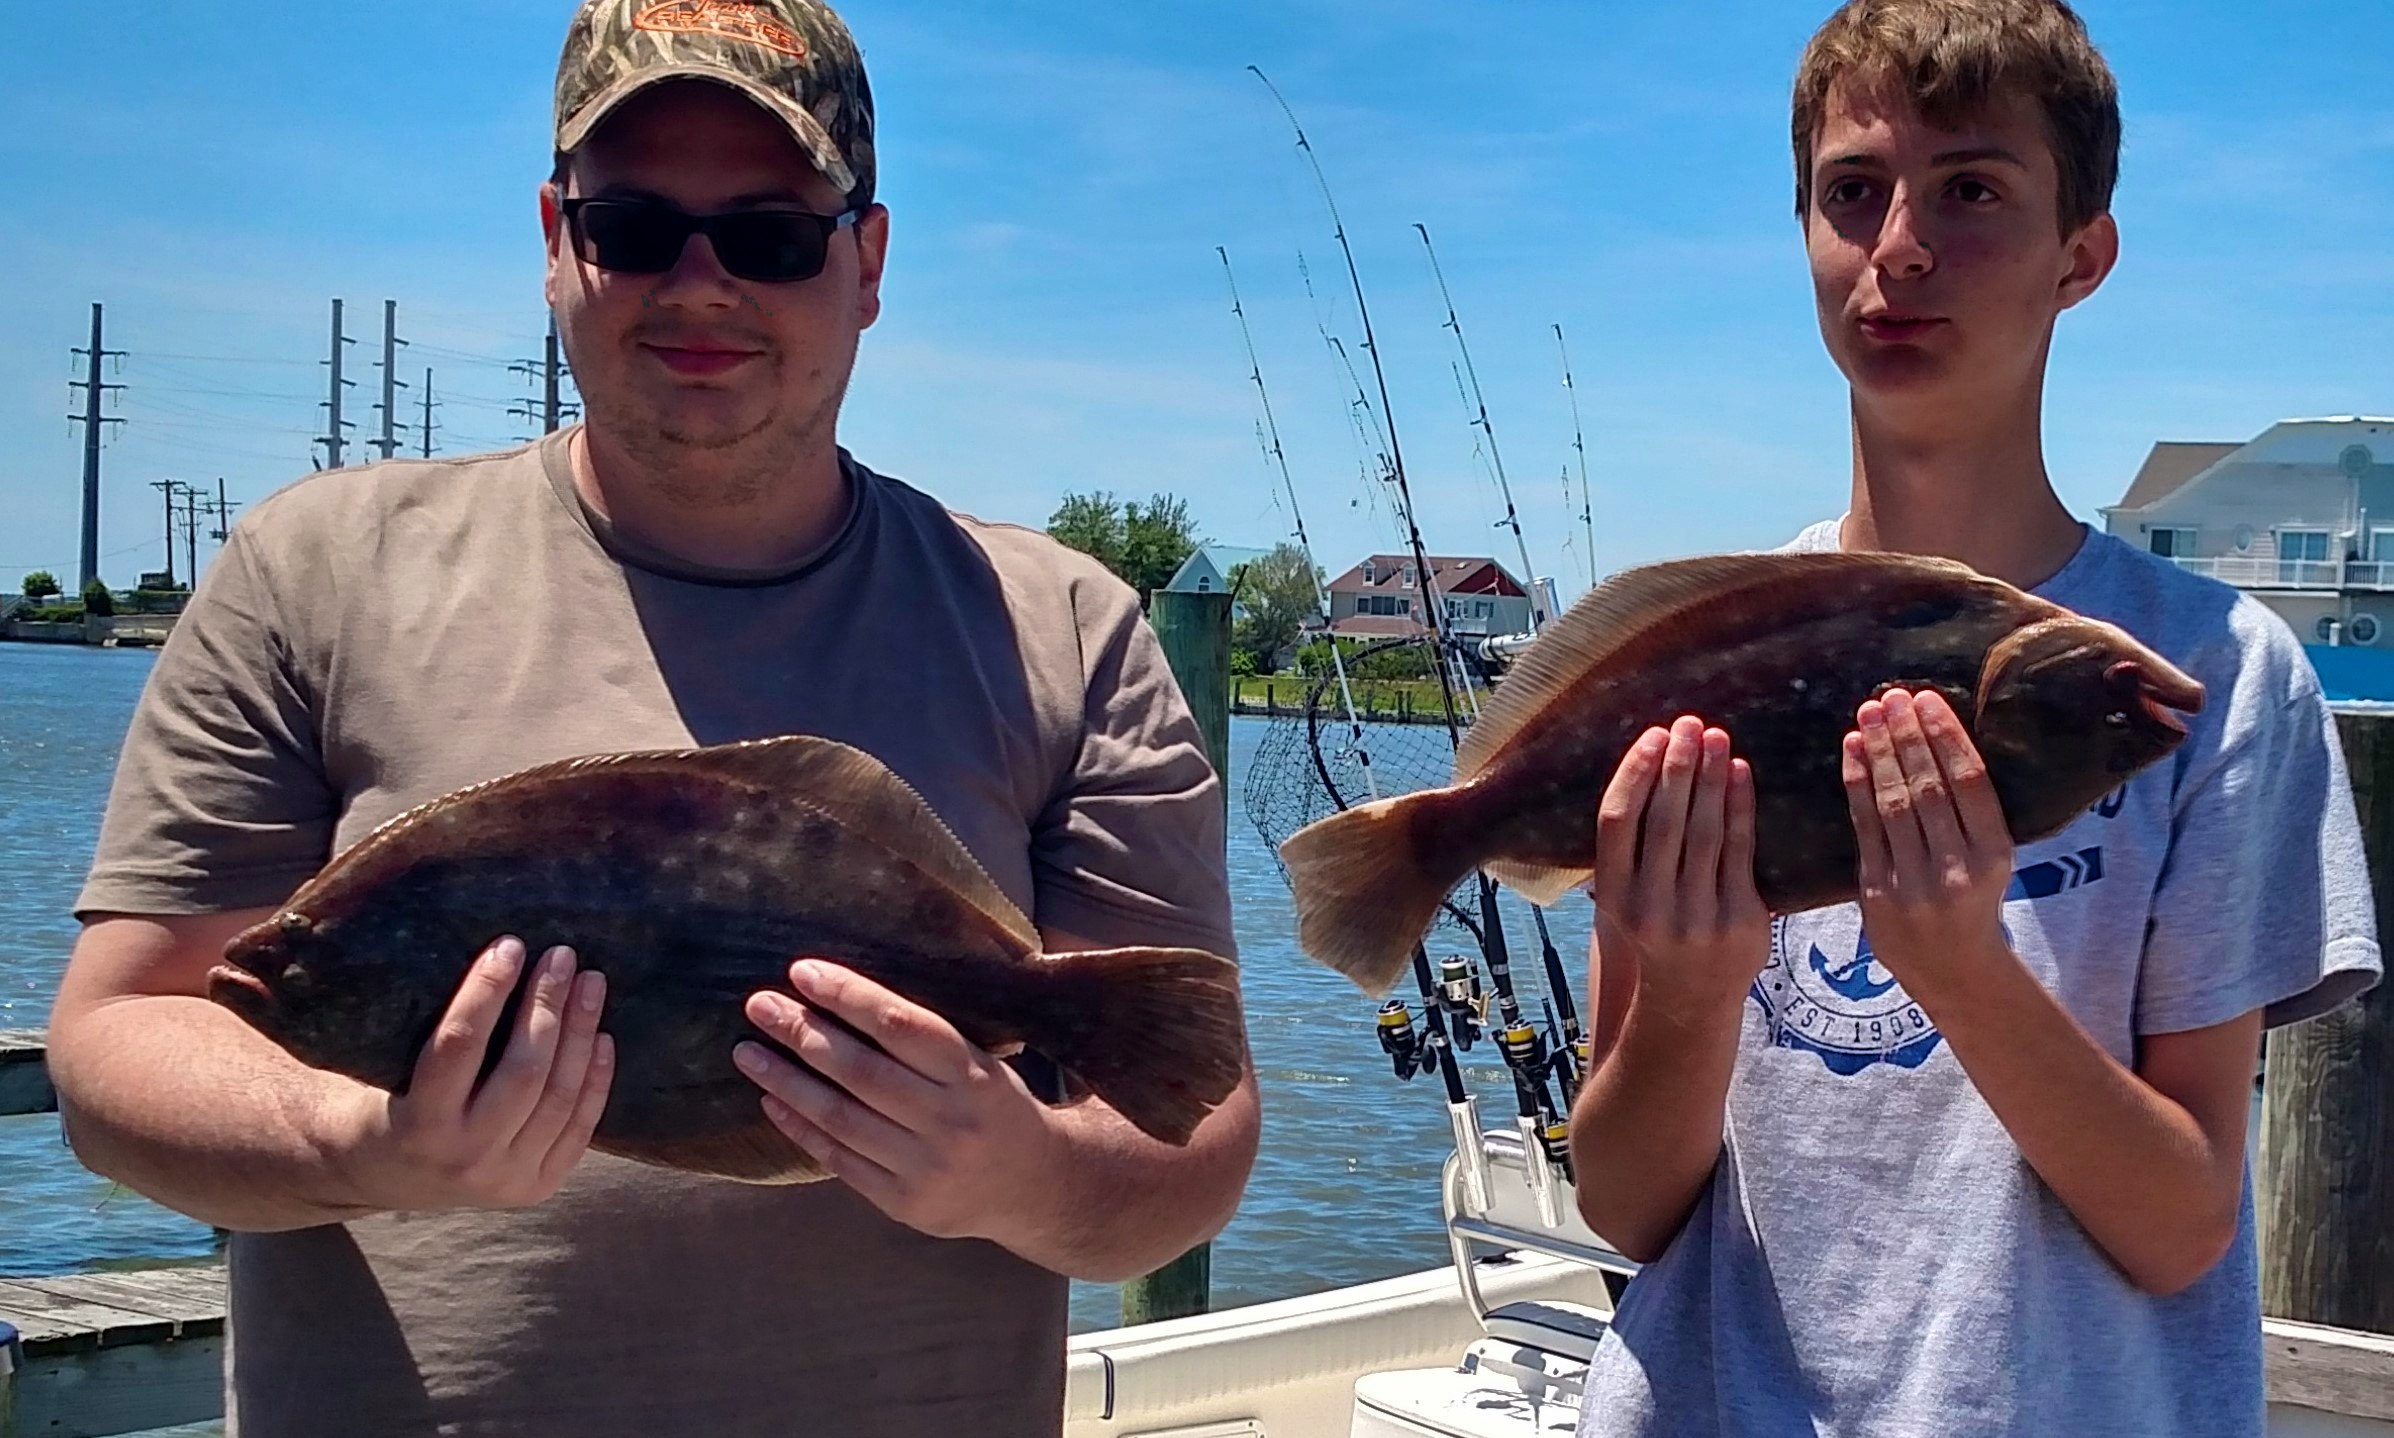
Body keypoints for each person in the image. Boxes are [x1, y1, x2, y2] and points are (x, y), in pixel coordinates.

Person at [44, 1, 1259, 1433]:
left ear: (864, 263)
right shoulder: (316, 570)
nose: (698, 284)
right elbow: (120, 1039)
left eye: (768, 237)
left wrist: (1020, 1175)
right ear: (557, 240)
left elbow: (1190, 1120)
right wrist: (362, 1137)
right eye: (633, 227)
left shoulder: (1060, 626)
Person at [1567, 1, 2381, 1433]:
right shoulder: (1704, 650)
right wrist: (1689, 993)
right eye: (1851, 192)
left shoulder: (2207, 676)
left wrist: (1957, 961)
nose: (1898, 246)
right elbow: (1631, 1204)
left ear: (2082, 256)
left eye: (1971, 189)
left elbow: (2178, 1221)